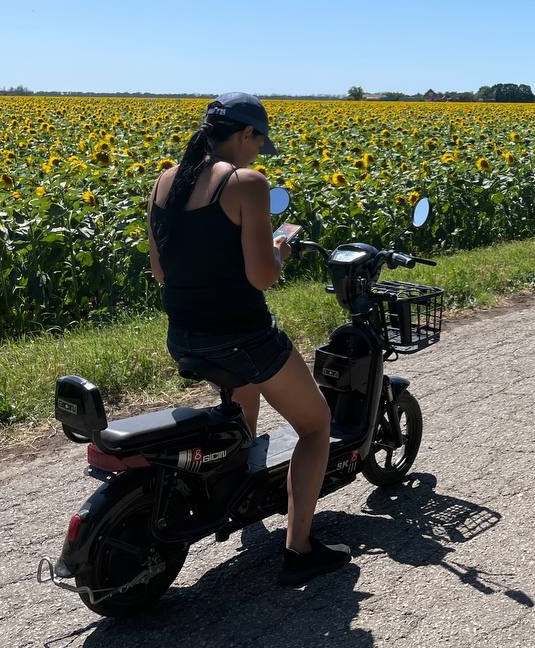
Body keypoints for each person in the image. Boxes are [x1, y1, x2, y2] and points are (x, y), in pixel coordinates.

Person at [146, 92, 350, 586]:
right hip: (242, 337)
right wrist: (279, 248)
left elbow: (158, 271)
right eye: (260, 142)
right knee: (317, 424)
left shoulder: (166, 181)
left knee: (246, 406)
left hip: (186, 335)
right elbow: (262, 278)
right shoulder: (246, 184)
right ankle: (299, 550)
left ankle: (241, 497)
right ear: (244, 135)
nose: (260, 152)